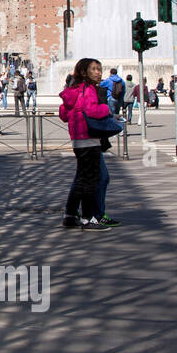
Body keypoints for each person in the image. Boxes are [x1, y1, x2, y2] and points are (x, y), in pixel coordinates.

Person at [58, 57, 115, 228]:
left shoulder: (74, 90)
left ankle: (70, 215)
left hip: (78, 140)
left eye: (100, 69)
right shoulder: (88, 89)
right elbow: (92, 111)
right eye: (94, 69)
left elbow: (64, 115)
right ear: (84, 72)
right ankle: (88, 218)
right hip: (89, 140)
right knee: (91, 181)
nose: (99, 73)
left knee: (83, 179)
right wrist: (106, 109)